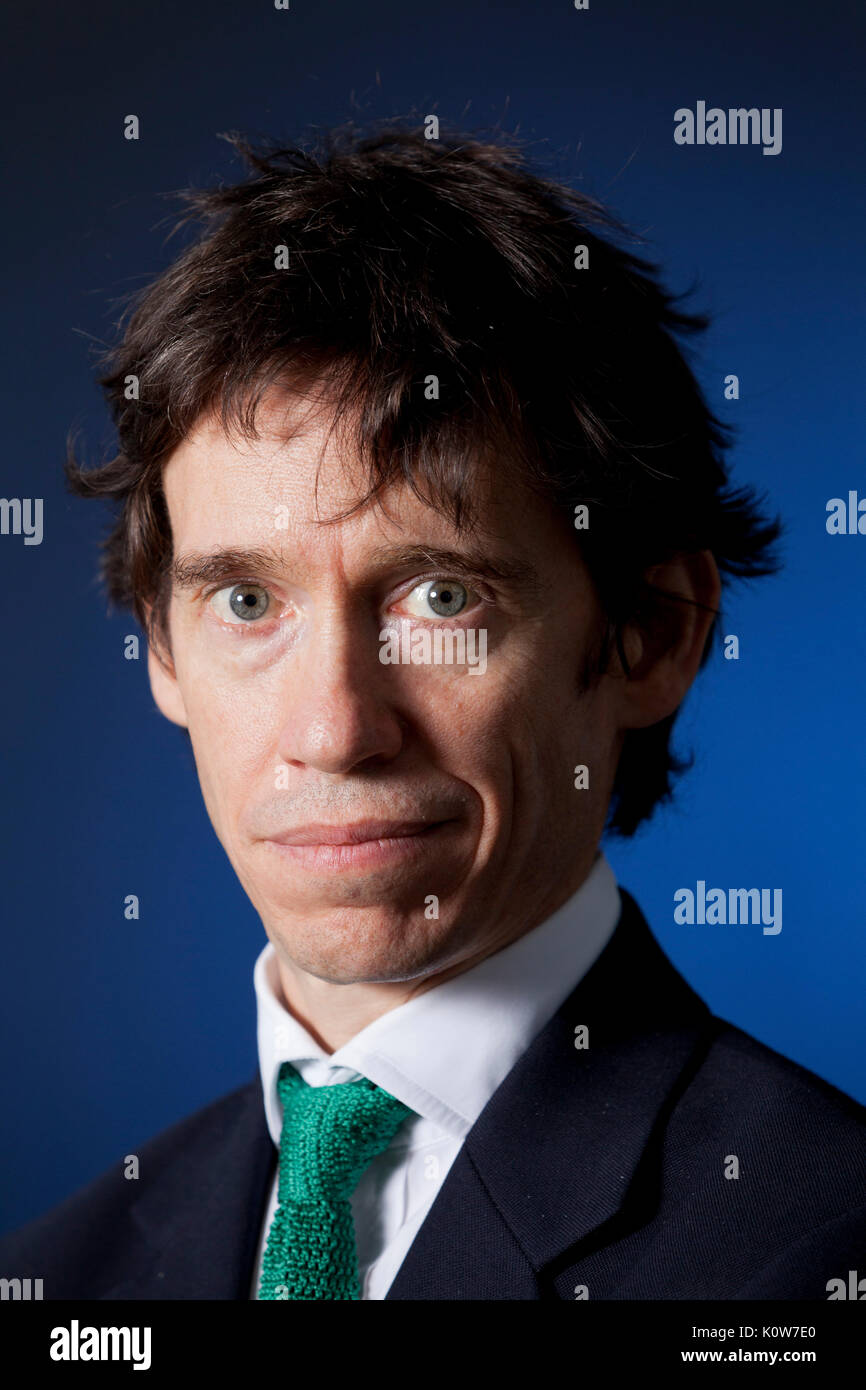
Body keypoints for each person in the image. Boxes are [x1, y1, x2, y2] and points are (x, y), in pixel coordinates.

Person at [2, 125, 863, 1301]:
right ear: (160, 647)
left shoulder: (816, 1255)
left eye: (439, 596)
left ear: (650, 631)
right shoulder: (56, 1280)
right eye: (247, 599)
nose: (334, 727)